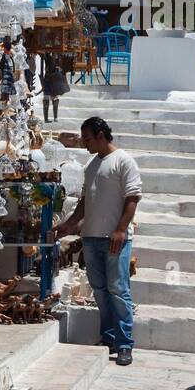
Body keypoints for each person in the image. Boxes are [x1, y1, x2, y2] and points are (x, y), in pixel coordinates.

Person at [57, 117, 142, 366]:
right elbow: (85, 202)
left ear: (102, 135)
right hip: (91, 238)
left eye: (88, 139)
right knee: (100, 291)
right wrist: (68, 225)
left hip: (115, 239)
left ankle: (125, 344)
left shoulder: (124, 161)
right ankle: (109, 338)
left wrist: (121, 229)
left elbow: (133, 198)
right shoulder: (92, 165)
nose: (85, 144)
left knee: (118, 290)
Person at [40, 53, 69, 123]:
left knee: (55, 99)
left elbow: (62, 66)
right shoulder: (47, 55)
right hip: (48, 78)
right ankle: (46, 119)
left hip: (55, 79)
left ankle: (55, 117)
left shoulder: (59, 56)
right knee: (46, 99)